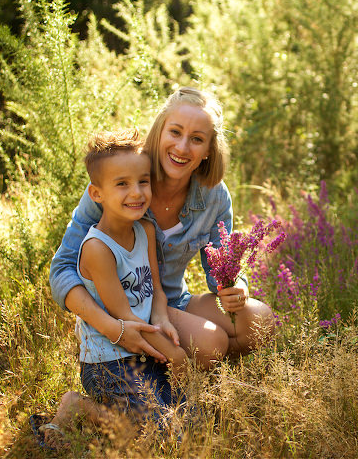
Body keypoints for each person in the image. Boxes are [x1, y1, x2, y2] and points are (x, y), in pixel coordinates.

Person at [49, 86, 274, 370]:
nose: (182, 148)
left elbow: (220, 270)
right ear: (159, 132)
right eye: (175, 132)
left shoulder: (214, 196)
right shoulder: (123, 180)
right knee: (211, 344)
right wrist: (111, 327)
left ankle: (174, 369)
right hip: (121, 310)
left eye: (197, 139)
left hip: (172, 302)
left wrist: (236, 286)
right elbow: (62, 270)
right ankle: (135, 364)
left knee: (260, 321)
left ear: (208, 150)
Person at [34, 129, 186, 449]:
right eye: (122, 184)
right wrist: (174, 354)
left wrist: (163, 319)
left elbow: (156, 290)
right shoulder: (97, 250)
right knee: (152, 438)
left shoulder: (144, 229)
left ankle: (146, 412)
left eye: (143, 181)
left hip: (145, 345)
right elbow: (124, 316)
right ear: (96, 193)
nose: (136, 192)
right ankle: (77, 405)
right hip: (110, 362)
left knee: (185, 421)